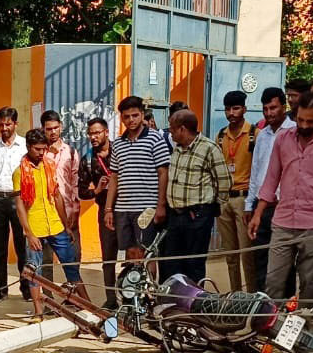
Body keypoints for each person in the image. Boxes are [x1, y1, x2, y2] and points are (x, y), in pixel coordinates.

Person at [249, 92, 313, 303]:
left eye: (310, 121)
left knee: (309, 281)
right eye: (300, 120)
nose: (303, 125)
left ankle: (303, 325)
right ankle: (270, 326)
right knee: (273, 280)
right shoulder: (283, 138)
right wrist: (257, 213)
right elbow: (271, 178)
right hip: (282, 221)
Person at [13, 128, 87, 318]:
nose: (41, 153)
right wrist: (28, 233)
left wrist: (66, 226)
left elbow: (57, 196)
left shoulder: (49, 166)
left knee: (71, 266)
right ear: (29, 147)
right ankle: (39, 312)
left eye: (43, 149)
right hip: (35, 228)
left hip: (55, 225)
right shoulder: (19, 172)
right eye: (37, 149)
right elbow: (20, 206)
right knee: (33, 271)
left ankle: (87, 306)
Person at [164, 110, 231, 283]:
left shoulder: (209, 148)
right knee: (172, 264)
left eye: (172, 129)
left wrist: (209, 210)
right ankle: (176, 305)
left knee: (193, 264)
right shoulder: (177, 149)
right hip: (175, 216)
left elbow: (224, 182)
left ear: (182, 129)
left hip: (197, 217)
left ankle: (195, 303)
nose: (170, 132)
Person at [104, 96, 170, 269]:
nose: (131, 120)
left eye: (135, 115)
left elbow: (164, 173)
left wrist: (161, 205)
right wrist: (108, 209)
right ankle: (132, 294)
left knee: (147, 253)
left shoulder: (155, 139)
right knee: (130, 253)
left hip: (147, 208)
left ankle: (149, 294)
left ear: (142, 115)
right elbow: (114, 177)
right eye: (126, 117)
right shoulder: (118, 144)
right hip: (123, 209)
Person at [244, 87, 291, 292]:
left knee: (284, 261)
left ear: (284, 106)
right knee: (260, 258)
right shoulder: (262, 135)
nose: (270, 113)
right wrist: (249, 205)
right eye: (265, 109)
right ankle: (264, 309)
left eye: (273, 108)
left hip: (284, 206)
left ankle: (286, 310)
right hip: (261, 207)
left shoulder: (294, 131)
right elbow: (256, 171)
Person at [0, 107, 29, 302]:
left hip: (18, 200)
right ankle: (1, 288)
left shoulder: (25, 146)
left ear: (15, 124)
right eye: (1, 124)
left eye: (8, 124)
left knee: (22, 246)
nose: (4, 128)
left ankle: (26, 287)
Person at [215, 91, 257, 292]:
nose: (231, 113)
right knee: (230, 254)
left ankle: (251, 296)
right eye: (228, 109)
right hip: (224, 199)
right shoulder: (221, 135)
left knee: (247, 253)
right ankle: (235, 295)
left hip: (244, 199)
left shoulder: (254, 134)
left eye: (236, 108)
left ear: (244, 109)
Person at [78, 117, 119, 308]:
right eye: (90, 134)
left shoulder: (121, 151)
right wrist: (97, 190)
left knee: (136, 256)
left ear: (106, 133)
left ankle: (133, 299)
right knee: (108, 259)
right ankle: (111, 300)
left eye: (97, 133)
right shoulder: (87, 160)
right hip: (105, 213)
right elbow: (81, 191)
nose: (93, 137)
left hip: (128, 208)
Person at [40, 110, 80, 283]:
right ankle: (48, 300)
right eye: (49, 129)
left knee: (72, 260)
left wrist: (74, 213)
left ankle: (73, 299)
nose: (53, 132)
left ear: (61, 127)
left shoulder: (71, 153)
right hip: (46, 215)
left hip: (69, 216)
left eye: (56, 128)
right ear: (43, 130)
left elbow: (74, 185)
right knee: (46, 261)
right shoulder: (39, 154)